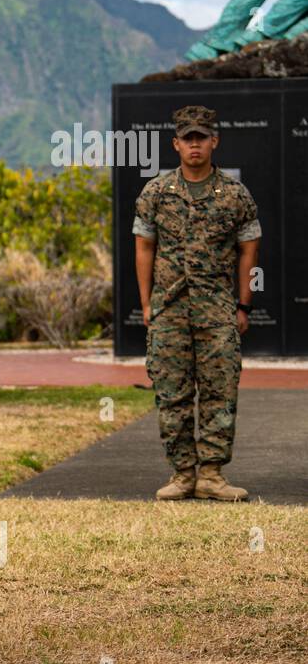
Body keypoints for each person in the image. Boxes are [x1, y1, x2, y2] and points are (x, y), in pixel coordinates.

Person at [133, 105, 261, 502]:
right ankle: (182, 473)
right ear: (175, 144)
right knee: (172, 392)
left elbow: (249, 249)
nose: (194, 144)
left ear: (214, 142)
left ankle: (211, 474)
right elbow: (143, 248)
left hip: (217, 310)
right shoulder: (156, 192)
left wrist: (243, 306)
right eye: (187, 138)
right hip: (169, 309)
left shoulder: (235, 195)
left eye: (201, 137)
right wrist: (148, 305)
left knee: (220, 390)